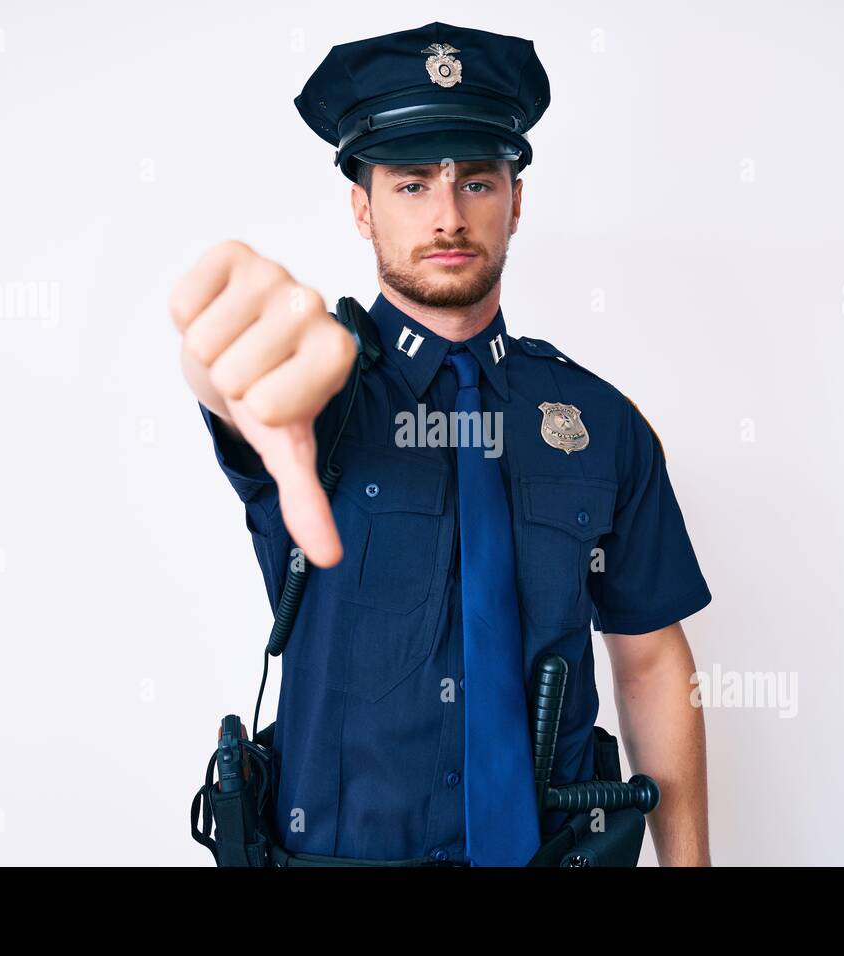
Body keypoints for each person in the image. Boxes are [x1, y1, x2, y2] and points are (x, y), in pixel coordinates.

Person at [169, 21, 714, 866]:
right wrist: (222, 359)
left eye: (478, 183)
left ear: (517, 201)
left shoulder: (599, 423)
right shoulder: (315, 396)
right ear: (362, 207)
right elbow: (240, 387)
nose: (449, 216)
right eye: (413, 184)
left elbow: (648, 662)